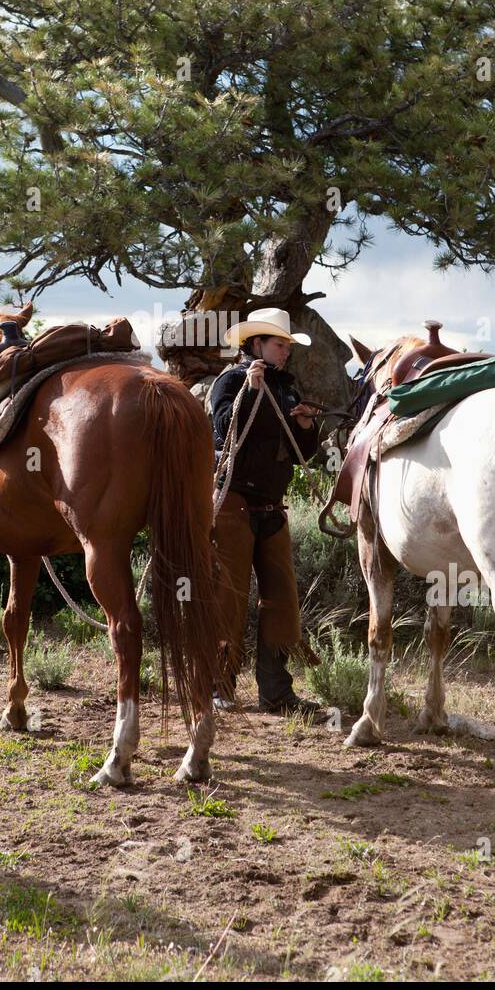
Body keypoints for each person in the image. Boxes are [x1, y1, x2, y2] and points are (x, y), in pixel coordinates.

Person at [210, 307, 323, 718]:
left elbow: (300, 454)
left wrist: (308, 428)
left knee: (282, 602)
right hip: (233, 504)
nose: (286, 351)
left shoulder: (288, 391)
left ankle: (275, 693)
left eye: (288, 344)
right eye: (280, 343)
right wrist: (251, 393)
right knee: (229, 599)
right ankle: (217, 687)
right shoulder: (231, 381)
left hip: (272, 508)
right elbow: (222, 429)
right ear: (256, 344)